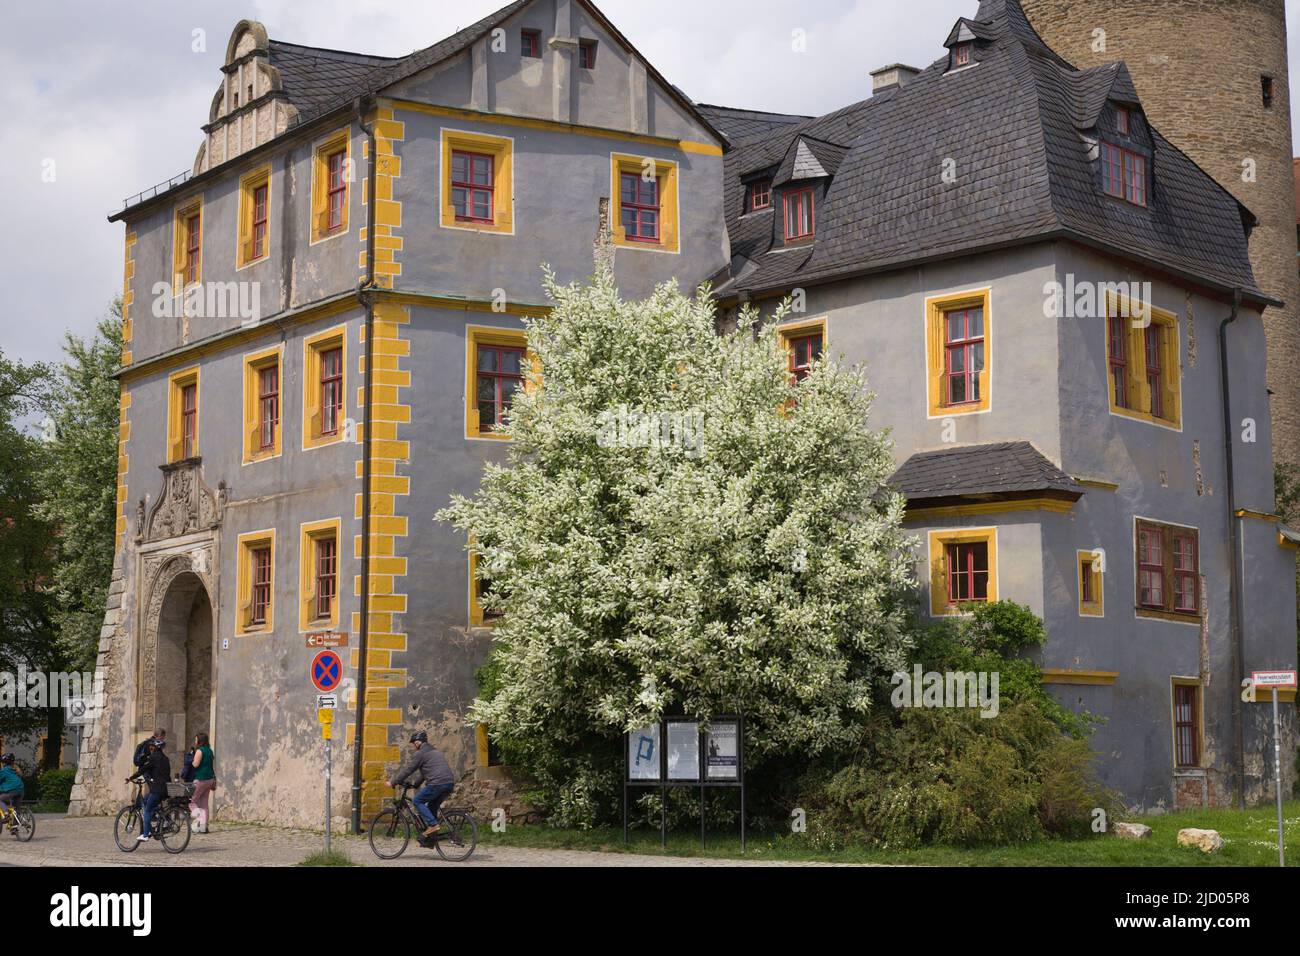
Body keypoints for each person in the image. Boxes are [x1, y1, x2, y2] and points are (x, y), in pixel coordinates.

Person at [385, 731, 454, 840]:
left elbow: (408, 770)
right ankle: (431, 839)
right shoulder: (434, 752)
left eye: (413, 744)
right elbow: (425, 773)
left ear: (417, 743)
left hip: (437, 783)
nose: (413, 747)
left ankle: (433, 825)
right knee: (431, 806)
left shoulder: (420, 753)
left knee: (417, 800)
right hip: (449, 783)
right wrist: (415, 785)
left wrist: (394, 782)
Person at [127, 737, 171, 842]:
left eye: (151, 747)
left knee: (147, 810)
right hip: (166, 789)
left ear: (155, 748)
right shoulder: (166, 759)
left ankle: (146, 834)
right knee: (147, 800)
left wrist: (130, 778)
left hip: (157, 789)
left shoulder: (153, 758)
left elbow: (143, 770)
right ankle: (160, 825)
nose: (150, 749)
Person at [188, 732, 216, 833]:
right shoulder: (209, 751)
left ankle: (199, 822)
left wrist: (190, 759)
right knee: (204, 803)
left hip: (200, 779)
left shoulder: (200, 751)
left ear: (200, 740)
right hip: (210, 779)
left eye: (196, 739)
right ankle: (204, 827)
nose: (195, 741)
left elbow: (195, 764)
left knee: (192, 802)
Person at [0, 755, 24, 832]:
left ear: (3, 763)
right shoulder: (15, 770)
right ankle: (14, 828)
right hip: (21, 791)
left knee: (0, 799)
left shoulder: (4, 771)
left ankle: (6, 815)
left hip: (12, 790)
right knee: (16, 809)